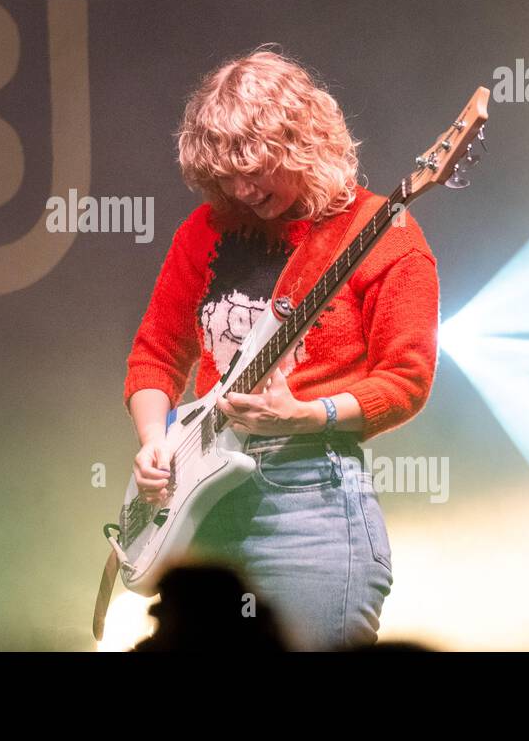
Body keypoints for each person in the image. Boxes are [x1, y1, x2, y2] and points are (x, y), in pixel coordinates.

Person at [124, 48, 440, 650]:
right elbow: (156, 352)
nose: (242, 188)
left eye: (256, 167)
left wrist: (307, 414)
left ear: (302, 143)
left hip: (312, 505)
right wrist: (154, 440)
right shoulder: (204, 231)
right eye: (225, 174)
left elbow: (406, 379)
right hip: (202, 507)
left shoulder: (383, 232)